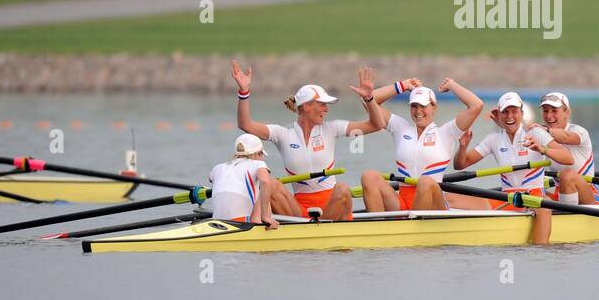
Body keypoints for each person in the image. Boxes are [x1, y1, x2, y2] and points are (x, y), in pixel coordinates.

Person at [230, 61, 384, 220]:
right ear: (307, 107)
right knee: (272, 184)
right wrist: (244, 91)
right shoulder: (282, 134)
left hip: (331, 207)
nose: (327, 109)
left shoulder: (332, 128)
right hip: (299, 211)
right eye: (322, 104)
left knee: (343, 189)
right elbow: (245, 124)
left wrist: (369, 98)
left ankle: (324, 228)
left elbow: (376, 125)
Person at [454, 92, 577, 244]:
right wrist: (462, 147)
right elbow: (460, 164)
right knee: (451, 198)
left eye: (514, 111)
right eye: (505, 112)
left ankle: (540, 252)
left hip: (534, 198)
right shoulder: (493, 139)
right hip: (506, 198)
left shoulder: (535, 132)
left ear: (522, 113)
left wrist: (542, 149)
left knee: (544, 208)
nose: (509, 116)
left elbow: (568, 158)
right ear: (499, 115)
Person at [358, 77, 487, 212]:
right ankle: (379, 228)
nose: (418, 111)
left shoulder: (447, 133)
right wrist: (402, 85)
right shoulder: (400, 128)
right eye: (414, 106)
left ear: (434, 107)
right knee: (368, 176)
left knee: (425, 181)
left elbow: (476, 105)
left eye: (423, 106)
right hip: (403, 201)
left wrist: (452, 85)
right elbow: (367, 101)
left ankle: (415, 227)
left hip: (433, 203)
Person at [530, 92, 599, 205]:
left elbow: (566, 137)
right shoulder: (541, 136)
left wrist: (545, 130)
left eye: (554, 111)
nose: (549, 116)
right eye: (545, 111)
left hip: (589, 195)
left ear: (566, 112)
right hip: (559, 193)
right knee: (529, 190)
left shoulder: (579, 131)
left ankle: (565, 216)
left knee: (567, 174)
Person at [208, 133, 280, 228]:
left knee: (259, 186)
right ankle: (260, 219)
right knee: (266, 185)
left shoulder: (217, 168)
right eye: (261, 154)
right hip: (242, 223)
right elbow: (266, 182)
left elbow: (210, 178)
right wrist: (265, 216)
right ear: (258, 153)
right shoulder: (258, 164)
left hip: (216, 223)